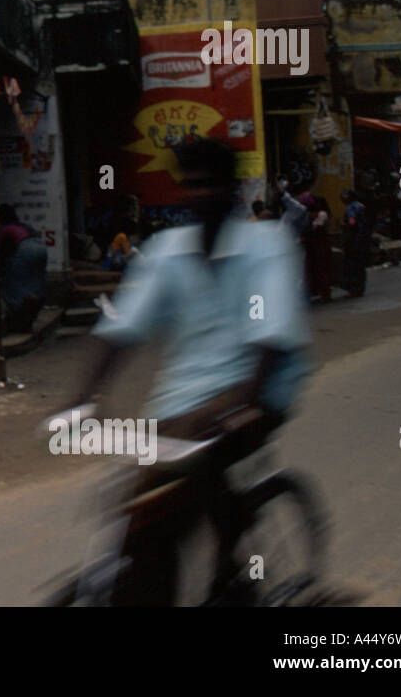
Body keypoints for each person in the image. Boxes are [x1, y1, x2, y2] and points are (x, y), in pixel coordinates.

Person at [72, 137, 310, 604]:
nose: (199, 195)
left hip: (260, 394)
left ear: (231, 189)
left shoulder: (267, 246)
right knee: (140, 510)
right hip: (182, 403)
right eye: (191, 185)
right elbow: (121, 329)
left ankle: (234, 579)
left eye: (210, 184)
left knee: (209, 465)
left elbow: (270, 341)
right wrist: (82, 397)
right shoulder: (165, 252)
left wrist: (233, 404)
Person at [0, 204, 48, 334]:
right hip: (41, 249)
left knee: (12, 285)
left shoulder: (4, 229)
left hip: (26, 250)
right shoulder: (22, 225)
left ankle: (19, 315)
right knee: (34, 283)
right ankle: (27, 319)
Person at [341, 188, 371, 297]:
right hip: (362, 240)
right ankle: (359, 288)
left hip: (354, 240)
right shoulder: (361, 206)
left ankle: (354, 288)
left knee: (352, 265)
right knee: (360, 266)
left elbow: (352, 223)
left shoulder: (351, 208)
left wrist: (344, 226)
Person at [303, 195, 333, 303]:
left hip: (320, 246)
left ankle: (324, 293)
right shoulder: (317, 215)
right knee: (318, 270)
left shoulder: (321, 214)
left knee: (321, 270)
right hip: (318, 246)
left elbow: (316, 229)